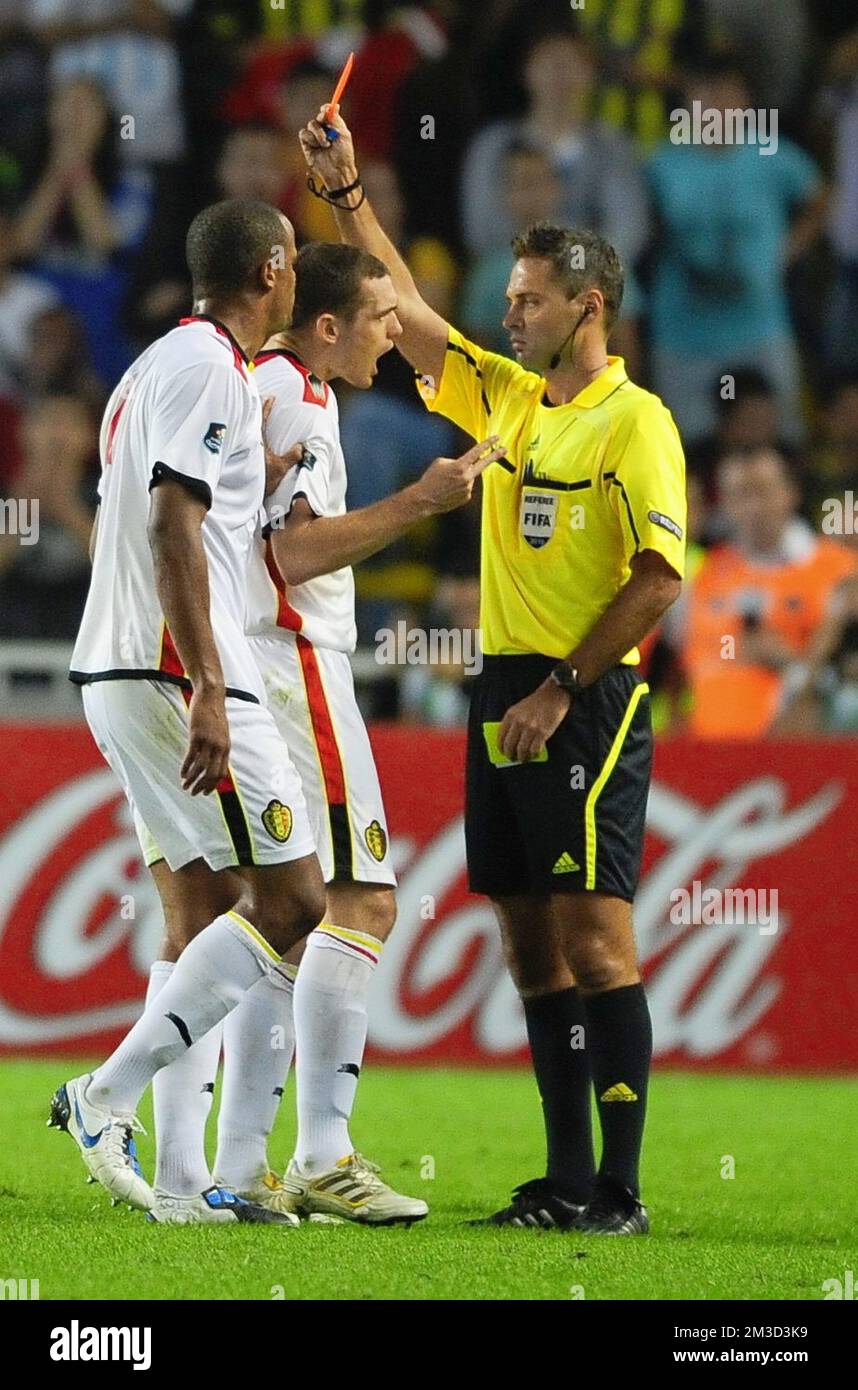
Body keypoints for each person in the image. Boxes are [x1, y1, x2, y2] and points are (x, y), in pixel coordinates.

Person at [301, 106, 687, 1235]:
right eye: (510, 299)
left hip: (582, 698)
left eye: (527, 300)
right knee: (527, 944)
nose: (508, 313)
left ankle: (618, 1190)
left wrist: (562, 685)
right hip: (501, 689)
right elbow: (407, 317)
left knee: (595, 938)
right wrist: (345, 195)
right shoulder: (511, 400)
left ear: (588, 305)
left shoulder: (638, 424)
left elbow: (661, 579)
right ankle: (562, 1176)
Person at [51, 198, 327, 1226]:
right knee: (295, 901)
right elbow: (173, 523)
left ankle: (178, 1187)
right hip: (178, 673)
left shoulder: (153, 366)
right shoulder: (213, 365)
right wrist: (212, 682)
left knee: (207, 907)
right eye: (292, 263)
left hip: (116, 668)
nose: (297, 279)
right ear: (269, 267)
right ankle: (103, 1094)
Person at [647, 55, 827, 445]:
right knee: (689, 449)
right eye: (705, 93)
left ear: (746, 101)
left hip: (759, 326)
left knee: (781, 440)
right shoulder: (662, 163)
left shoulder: (772, 154)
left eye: (728, 94)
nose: (716, 105)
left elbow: (821, 197)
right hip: (683, 333)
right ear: (687, 102)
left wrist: (788, 250)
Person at [682, 447, 857, 738]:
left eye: (763, 492)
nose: (753, 508)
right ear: (724, 504)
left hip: (806, 759)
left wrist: (793, 663)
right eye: (740, 495)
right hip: (705, 757)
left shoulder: (840, 571)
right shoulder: (702, 574)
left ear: (791, 493)